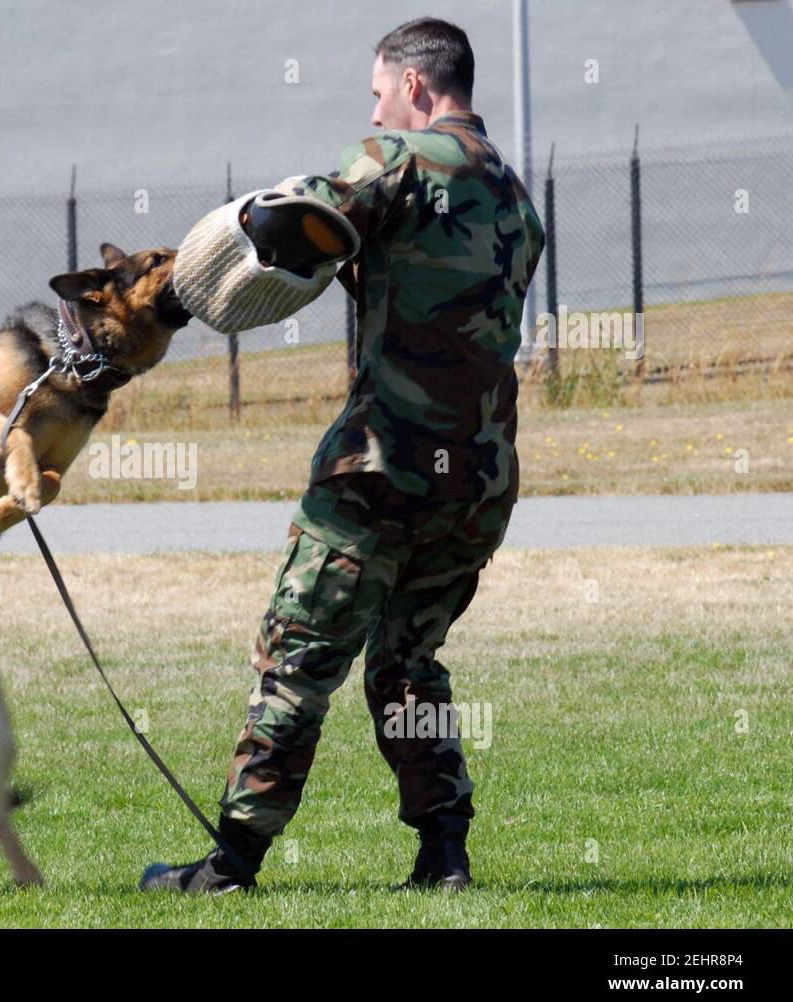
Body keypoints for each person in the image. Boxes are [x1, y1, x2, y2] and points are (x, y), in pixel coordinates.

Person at [143, 17, 545, 894]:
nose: (375, 108)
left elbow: (290, 219)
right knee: (408, 663)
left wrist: (164, 298)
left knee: (297, 658)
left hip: (378, 470)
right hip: (478, 481)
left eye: (378, 93)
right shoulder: (518, 198)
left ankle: (229, 866)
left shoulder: (397, 159)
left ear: (416, 88)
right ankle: (444, 857)